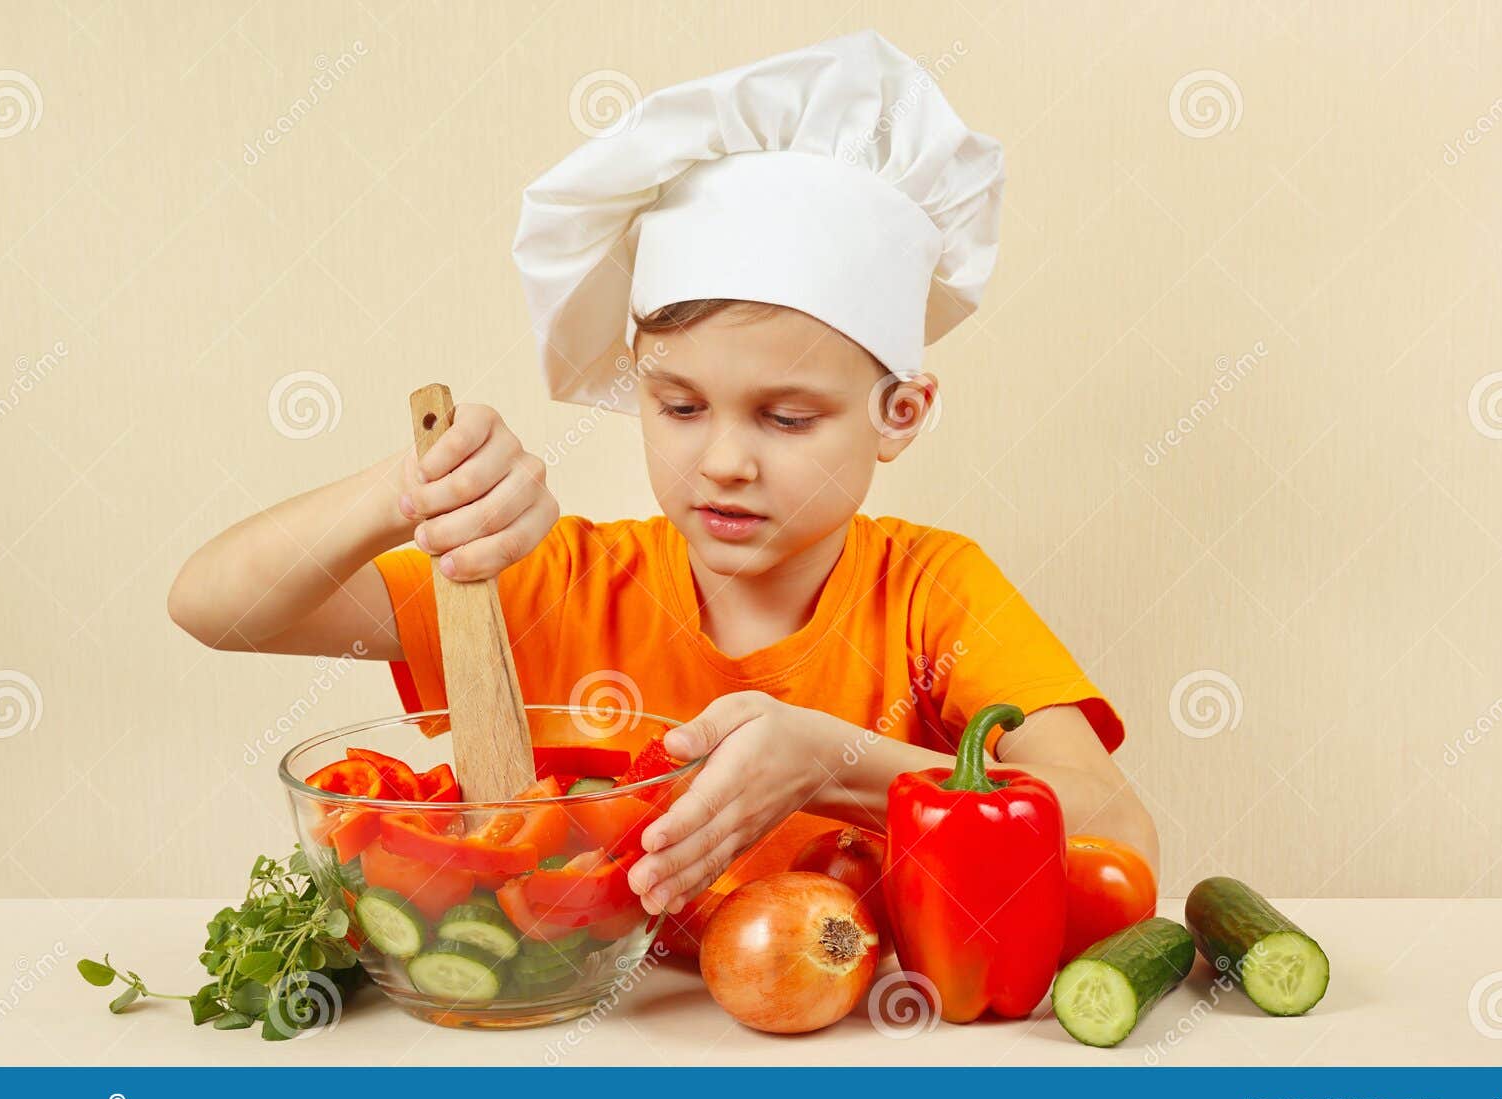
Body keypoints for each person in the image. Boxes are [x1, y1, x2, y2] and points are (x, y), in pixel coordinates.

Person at [168, 30, 1158, 919]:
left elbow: (1113, 830)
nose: (724, 459)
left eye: (786, 415)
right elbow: (213, 604)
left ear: (897, 414)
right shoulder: (559, 585)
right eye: (679, 405)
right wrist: (408, 492)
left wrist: (835, 762)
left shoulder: (933, 593)